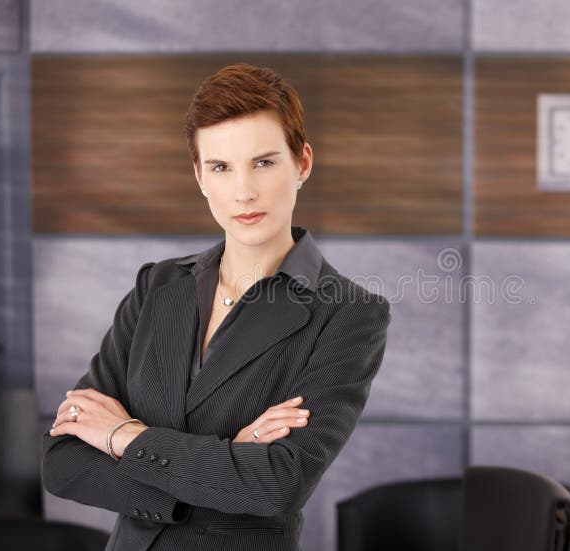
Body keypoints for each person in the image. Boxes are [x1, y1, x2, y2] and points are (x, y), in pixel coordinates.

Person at [40, 62, 391, 551]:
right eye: (221, 167)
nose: (243, 191)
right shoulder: (157, 287)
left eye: (264, 163)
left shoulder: (348, 313)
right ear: (200, 176)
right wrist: (226, 463)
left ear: (303, 163)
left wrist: (121, 435)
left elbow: (278, 482)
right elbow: (64, 461)